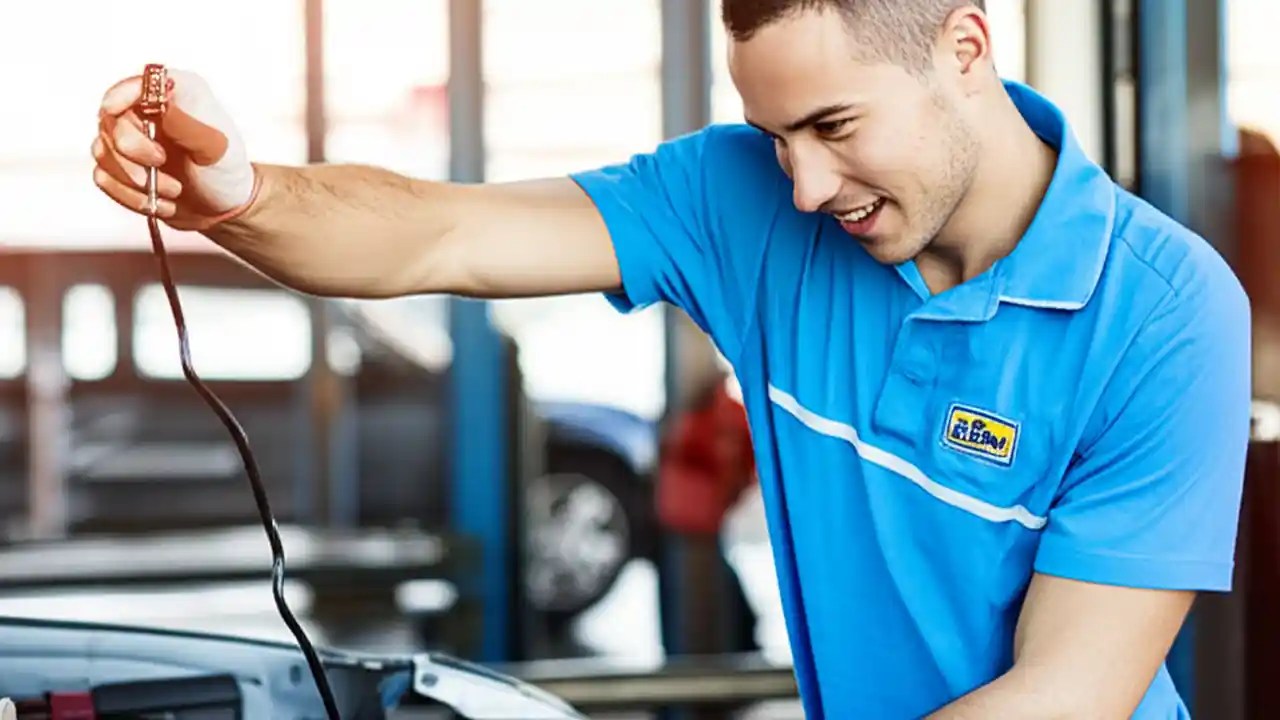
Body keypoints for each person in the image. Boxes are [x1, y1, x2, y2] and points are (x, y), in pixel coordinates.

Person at [91, 0, 1252, 717]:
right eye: (772, 136)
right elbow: (440, 227)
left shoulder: (1164, 315)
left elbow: (1065, 696)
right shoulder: (744, 202)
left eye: (835, 127)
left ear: (962, 46)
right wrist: (236, 196)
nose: (801, 186)